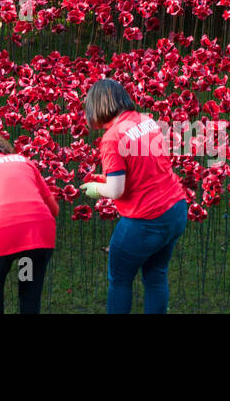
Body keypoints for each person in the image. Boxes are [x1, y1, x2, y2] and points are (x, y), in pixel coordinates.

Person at [80, 78, 188, 314]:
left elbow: (117, 190)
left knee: (119, 278)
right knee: (156, 275)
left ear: (98, 106)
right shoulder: (146, 120)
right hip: (176, 209)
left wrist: (96, 189)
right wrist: (107, 179)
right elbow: (145, 167)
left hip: (146, 221)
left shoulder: (112, 138)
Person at [0, 131, 59, 314]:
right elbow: (53, 208)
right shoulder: (23, 161)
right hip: (35, 237)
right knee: (28, 286)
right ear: (1, 145)